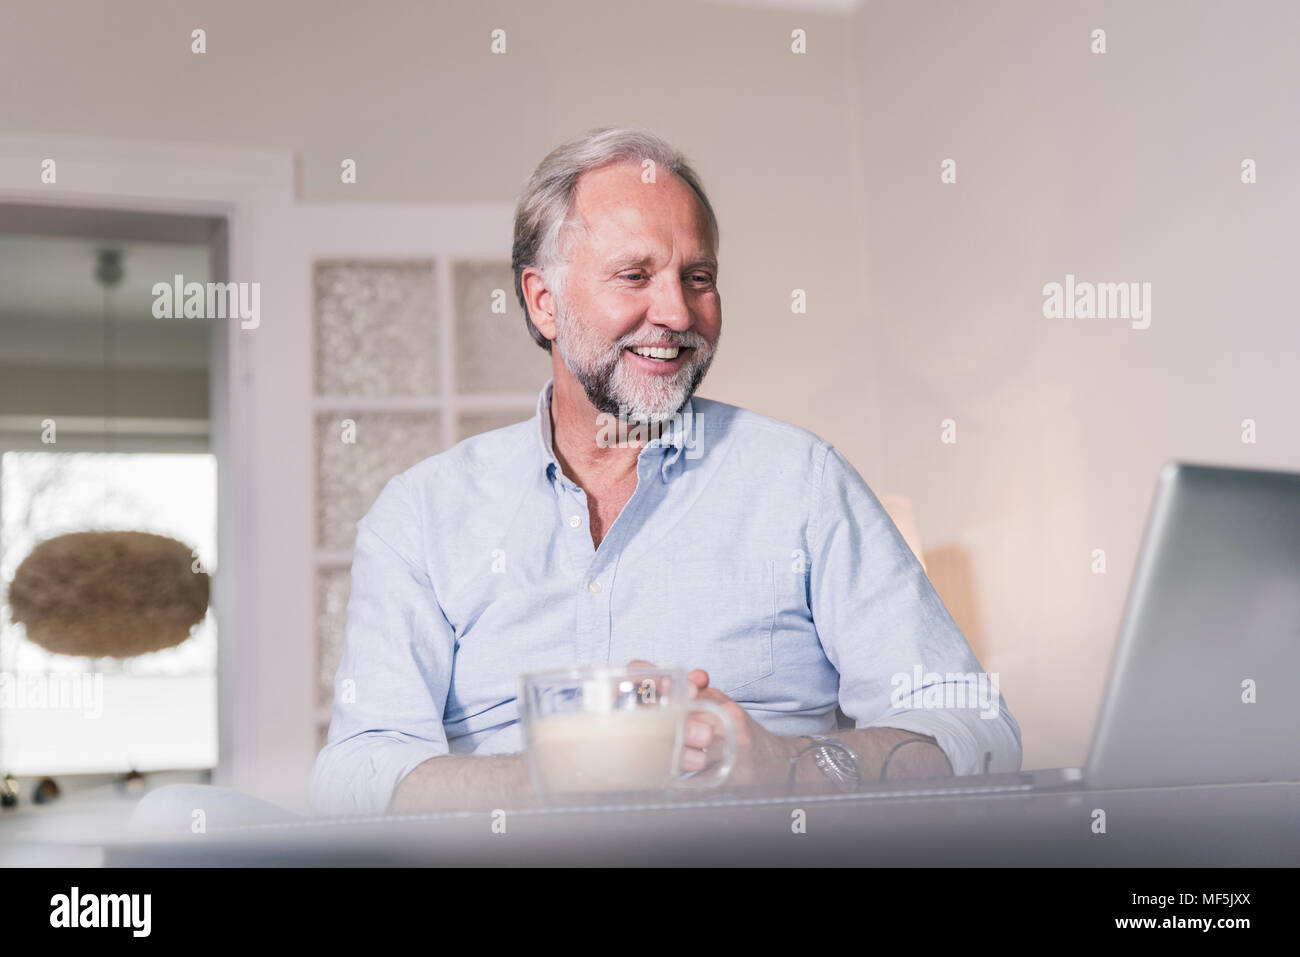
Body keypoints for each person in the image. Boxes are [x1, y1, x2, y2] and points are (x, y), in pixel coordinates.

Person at [309, 127, 1021, 817]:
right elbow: (357, 773)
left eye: (698, 277)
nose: (677, 311)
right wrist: (555, 780)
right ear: (542, 301)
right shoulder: (422, 515)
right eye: (635, 275)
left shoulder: (804, 483)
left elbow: (975, 730)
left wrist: (793, 766)